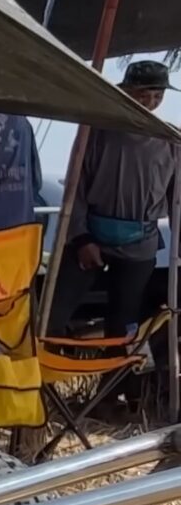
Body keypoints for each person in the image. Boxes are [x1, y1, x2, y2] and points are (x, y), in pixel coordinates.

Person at [49, 60, 181, 340]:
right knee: (53, 314)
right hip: (91, 236)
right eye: (143, 95)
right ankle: (40, 377)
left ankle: (120, 382)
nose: (150, 102)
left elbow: (177, 199)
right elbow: (76, 188)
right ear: (126, 92)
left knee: (126, 324)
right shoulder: (96, 130)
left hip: (140, 243)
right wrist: (82, 238)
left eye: (157, 96)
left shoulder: (171, 140)